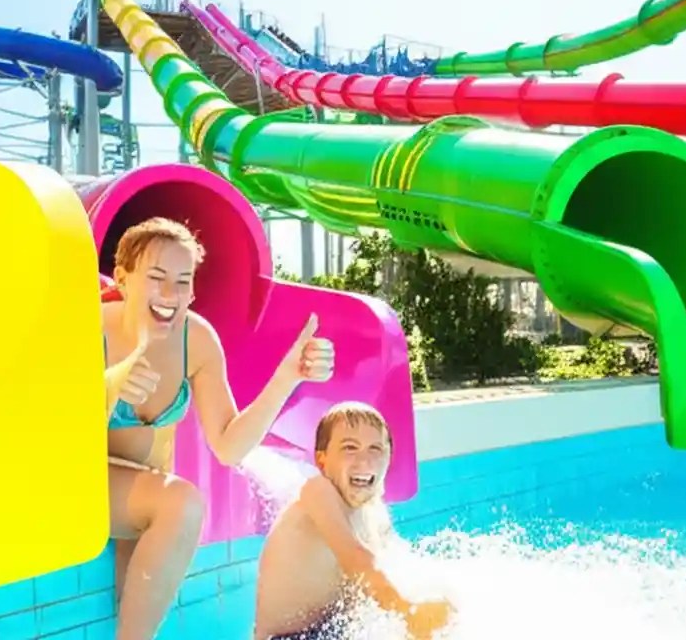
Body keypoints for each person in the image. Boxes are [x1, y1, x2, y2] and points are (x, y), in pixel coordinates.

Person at [101, 216, 335, 640]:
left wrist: (288, 376)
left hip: (136, 491)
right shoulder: (89, 329)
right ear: (122, 278)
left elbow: (229, 446)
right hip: (77, 481)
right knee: (181, 503)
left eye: (183, 281)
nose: (170, 294)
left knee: (135, 606)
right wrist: (109, 385)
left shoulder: (196, 340)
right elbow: (38, 422)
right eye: (156, 277)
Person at [254, 402, 455, 640]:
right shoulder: (317, 492)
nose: (364, 461)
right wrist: (407, 611)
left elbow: (394, 567)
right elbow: (355, 559)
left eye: (375, 449)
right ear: (322, 460)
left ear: (389, 459)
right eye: (350, 448)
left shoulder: (372, 512)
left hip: (333, 632)